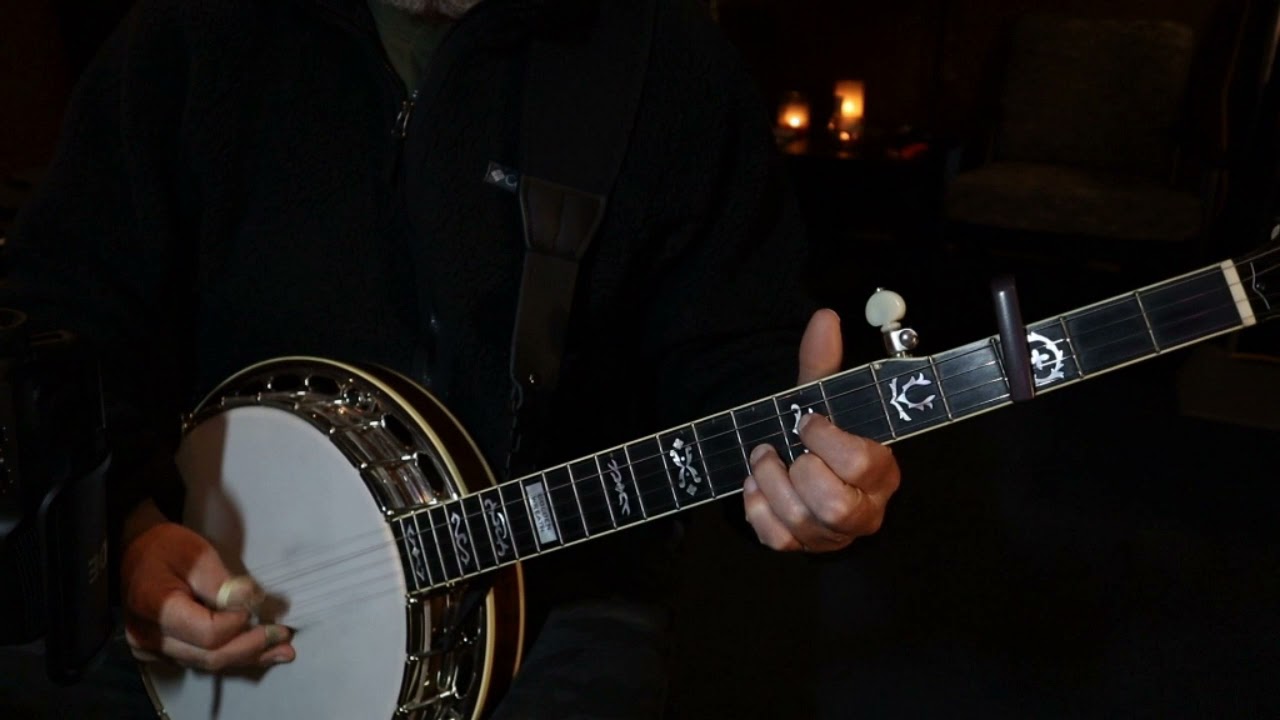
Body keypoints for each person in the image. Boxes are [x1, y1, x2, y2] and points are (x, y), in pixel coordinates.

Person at [2, 0, 900, 716]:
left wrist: (803, 471)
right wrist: (124, 531)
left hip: (545, 596)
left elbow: (731, 355)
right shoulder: (188, 36)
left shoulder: (664, 61)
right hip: (206, 577)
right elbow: (66, 318)